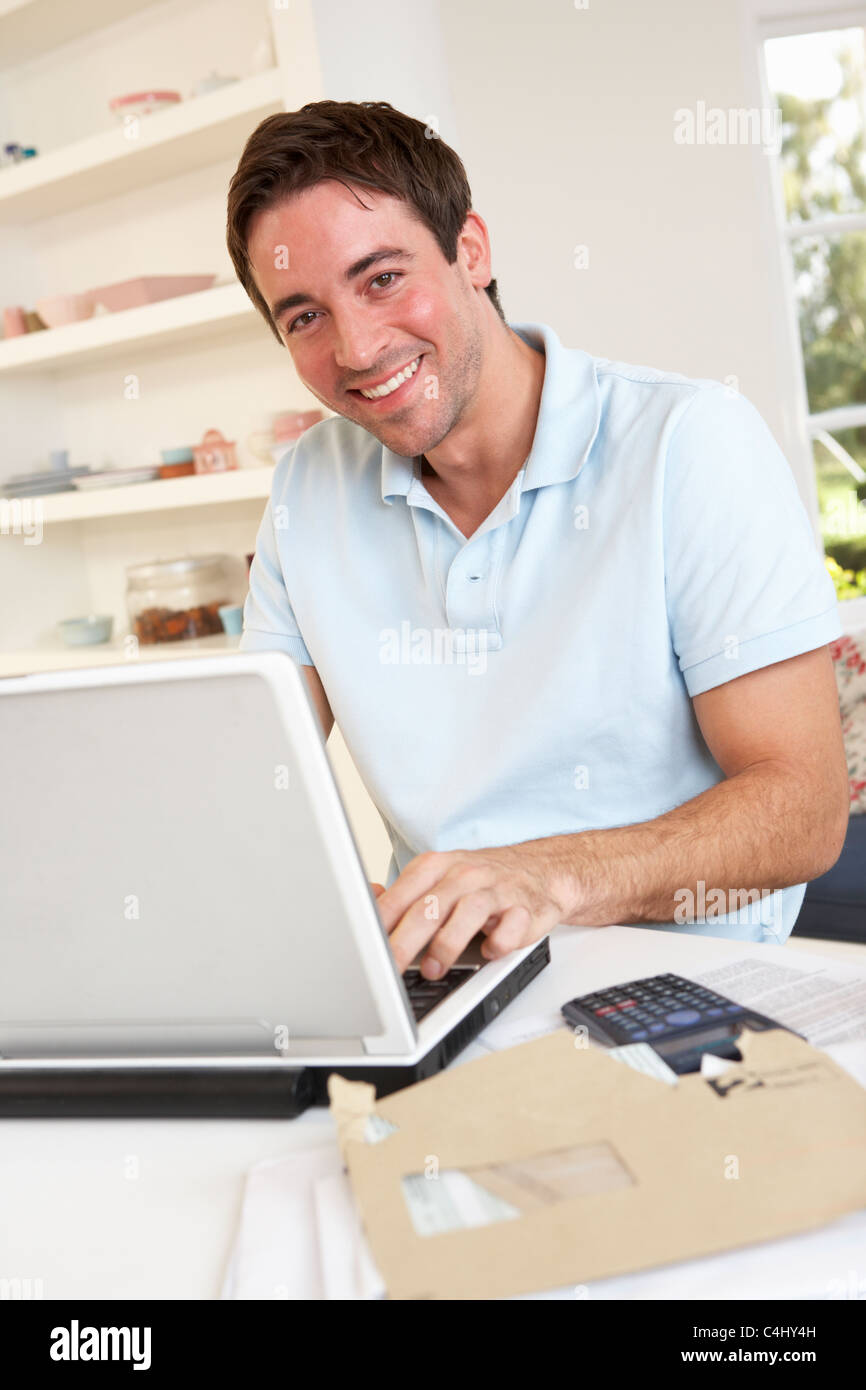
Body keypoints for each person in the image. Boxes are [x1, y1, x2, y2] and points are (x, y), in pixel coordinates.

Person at [227, 99, 848, 980]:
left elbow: (803, 806)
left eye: (381, 278)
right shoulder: (305, 487)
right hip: (447, 982)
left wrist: (552, 877)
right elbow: (257, 776)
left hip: (687, 986)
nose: (359, 347)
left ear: (470, 251)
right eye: (304, 316)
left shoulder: (688, 442)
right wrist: (325, 905)